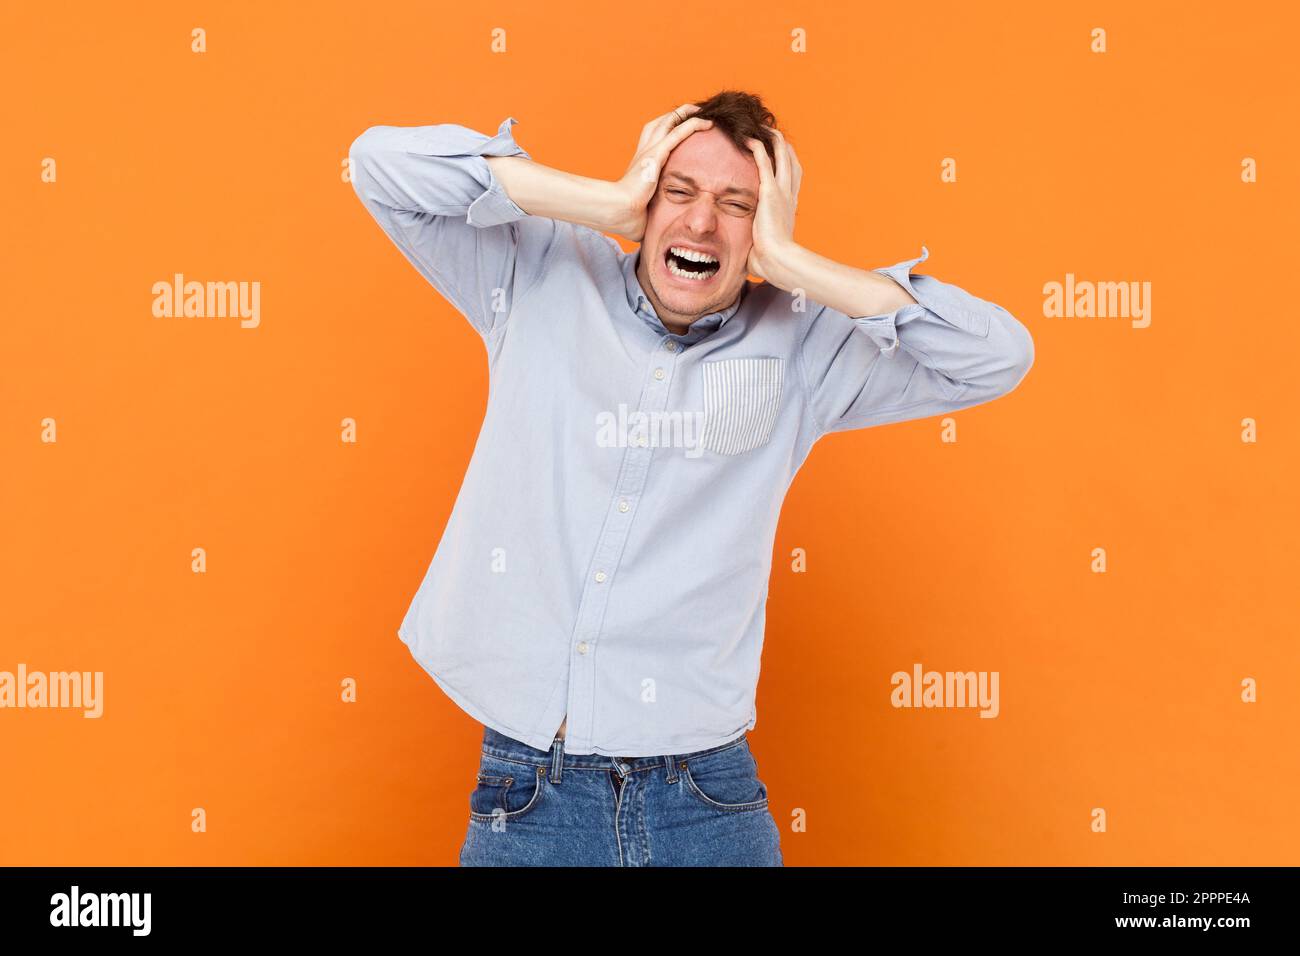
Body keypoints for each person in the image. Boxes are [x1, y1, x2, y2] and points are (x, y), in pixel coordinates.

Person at [348, 90, 1034, 866]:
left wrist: (792, 263)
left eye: (737, 205)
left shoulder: (806, 346)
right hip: (531, 790)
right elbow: (378, 164)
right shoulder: (537, 275)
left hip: (705, 802)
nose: (702, 223)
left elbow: (998, 355)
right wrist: (605, 203)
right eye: (678, 191)